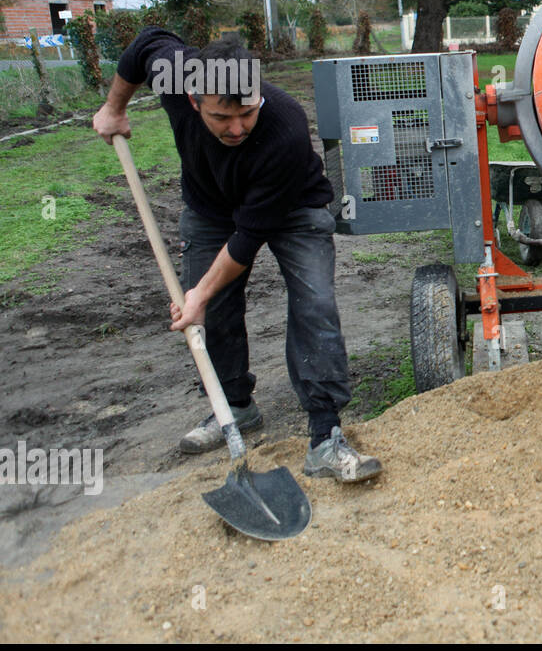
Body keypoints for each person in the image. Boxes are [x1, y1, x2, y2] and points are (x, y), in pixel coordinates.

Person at [92, 27, 382, 483]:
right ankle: (235, 407)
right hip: (210, 208)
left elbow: (246, 241)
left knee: (315, 304)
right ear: (192, 99)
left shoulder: (283, 125)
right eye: (222, 117)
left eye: (247, 113)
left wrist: (198, 294)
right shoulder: (174, 73)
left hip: (291, 206)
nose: (238, 128)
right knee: (217, 311)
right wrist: (114, 108)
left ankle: (325, 435)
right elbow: (144, 45)